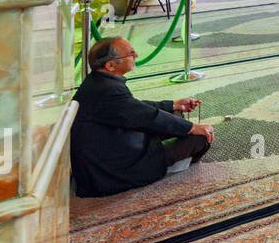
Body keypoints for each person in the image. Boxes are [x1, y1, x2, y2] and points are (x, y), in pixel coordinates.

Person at [69, 37, 215, 197]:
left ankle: (169, 154)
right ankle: (167, 167)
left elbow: (135, 108)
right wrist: (192, 128)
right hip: (114, 169)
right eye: (131, 53)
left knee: (175, 115)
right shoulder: (107, 90)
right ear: (110, 65)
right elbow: (146, 116)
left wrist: (173, 104)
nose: (136, 55)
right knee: (200, 139)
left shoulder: (100, 82)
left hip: (118, 145)